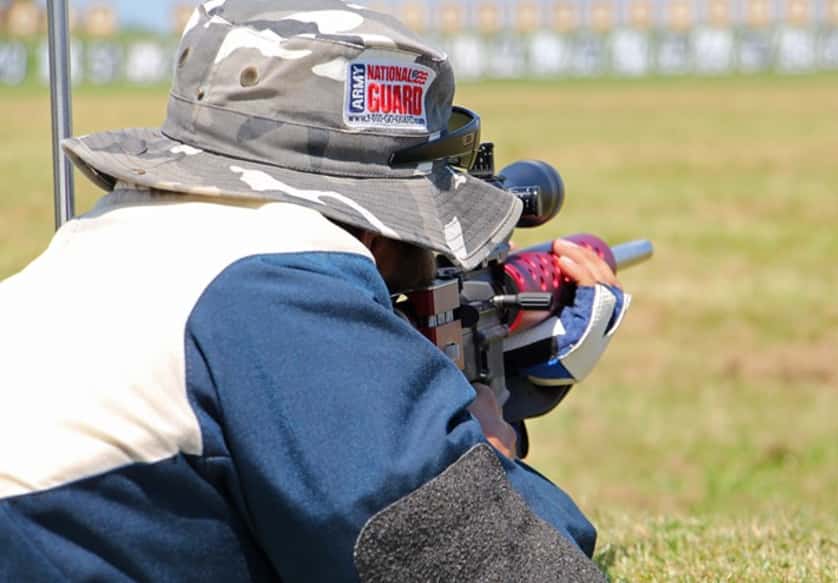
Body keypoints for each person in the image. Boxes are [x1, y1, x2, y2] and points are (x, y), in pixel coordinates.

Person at [0, 1, 629, 581]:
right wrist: (496, 446)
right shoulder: (281, 287)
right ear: (375, 225)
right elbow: (504, 564)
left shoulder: (102, 240)